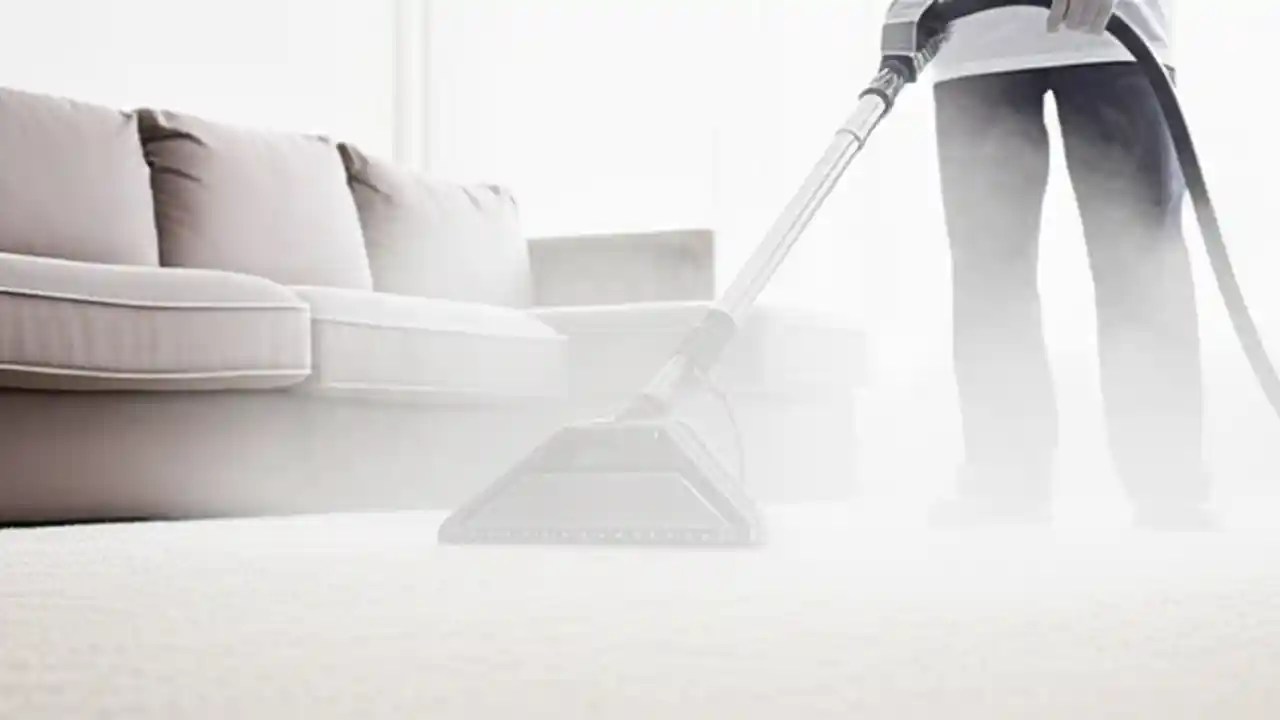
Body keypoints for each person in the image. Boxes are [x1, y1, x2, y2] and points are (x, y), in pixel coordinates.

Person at [921, 0, 1214, 529]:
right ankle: (1005, 480)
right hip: (971, 34)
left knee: (1140, 260)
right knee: (989, 270)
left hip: (1115, 33)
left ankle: (1167, 481)